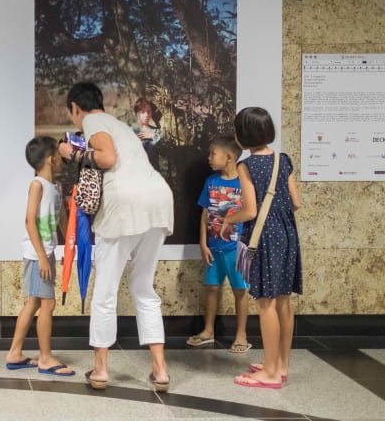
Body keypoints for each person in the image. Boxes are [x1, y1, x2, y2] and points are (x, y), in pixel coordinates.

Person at [58, 83, 174, 391]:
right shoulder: (119, 125)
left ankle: (100, 370)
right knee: (143, 287)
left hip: (125, 207)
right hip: (158, 201)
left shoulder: (92, 121)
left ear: (75, 108)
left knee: (106, 291)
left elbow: (106, 158)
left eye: (72, 113)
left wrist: (72, 153)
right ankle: (160, 370)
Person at [220, 107, 301, 389]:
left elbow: (251, 210)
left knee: (264, 302)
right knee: (282, 301)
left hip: (264, 237)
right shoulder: (283, 159)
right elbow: (296, 202)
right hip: (288, 234)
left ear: (242, 137)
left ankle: (268, 373)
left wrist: (229, 220)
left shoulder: (247, 166)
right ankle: (280, 365)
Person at [5, 136, 75, 377]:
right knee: (48, 303)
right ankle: (45, 358)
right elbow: (29, 221)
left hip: (46, 252)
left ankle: (15, 353)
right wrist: (43, 258)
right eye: (58, 153)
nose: (62, 157)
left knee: (34, 302)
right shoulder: (37, 185)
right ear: (50, 159)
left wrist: (66, 248)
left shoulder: (53, 186)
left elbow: (61, 219)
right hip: (38, 255)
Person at [187, 135, 250, 353]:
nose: (209, 157)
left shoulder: (244, 183)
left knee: (240, 289)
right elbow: (205, 214)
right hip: (213, 247)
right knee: (211, 287)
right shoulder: (211, 182)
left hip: (237, 249)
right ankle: (208, 330)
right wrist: (203, 244)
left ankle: (241, 334)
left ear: (229, 157)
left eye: (213, 153)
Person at [132, 97, 163, 170]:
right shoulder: (131, 132)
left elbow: (164, 151)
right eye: (143, 112)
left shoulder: (156, 132)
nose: (146, 115)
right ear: (137, 113)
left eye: (148, 112)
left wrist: (153, 136)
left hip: (154, 173)